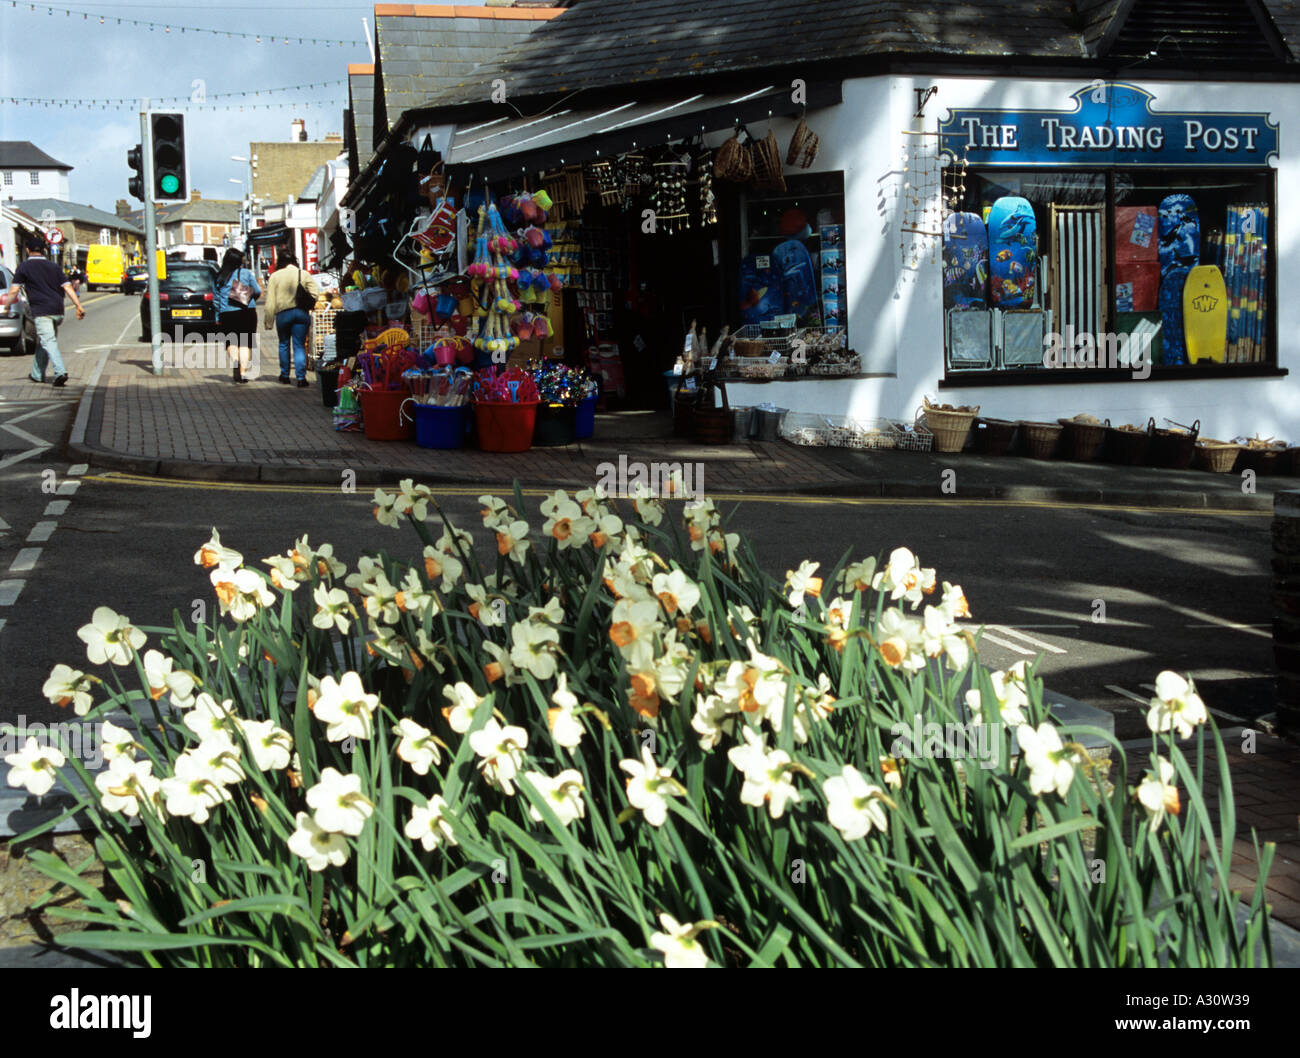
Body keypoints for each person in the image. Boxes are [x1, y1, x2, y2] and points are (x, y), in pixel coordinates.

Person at [1, 235, 85, 386]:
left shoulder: (24, 267)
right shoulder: (55, 267)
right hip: (58, 310)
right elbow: (67, 287)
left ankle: (60, 372)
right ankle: (37, 374)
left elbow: (14, 290)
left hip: (42, 310)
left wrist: (6, 306)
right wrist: (78, 305)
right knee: (44, 341)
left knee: (48, 341)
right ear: (44, 250)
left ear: (27, 250)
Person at [262, 252, 321, 387]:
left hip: (283, 314)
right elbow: (315, 293)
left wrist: (269, 320)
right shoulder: (303, 273)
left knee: (283, 344)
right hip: (301, 313)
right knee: (299, 345)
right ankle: (301, 378)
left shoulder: (275, 276)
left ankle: (285, 375)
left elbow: (270, 301)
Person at [214, 247, 261, 384]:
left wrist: (217, 317)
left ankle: (235, 362)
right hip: (247, 312)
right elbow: (257, 290)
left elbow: (216, 299)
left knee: (231, 342)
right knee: (245, 343)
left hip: (227, 313)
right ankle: (243, 374)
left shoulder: (220, 276)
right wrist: (250, 299)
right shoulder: (245, 273)